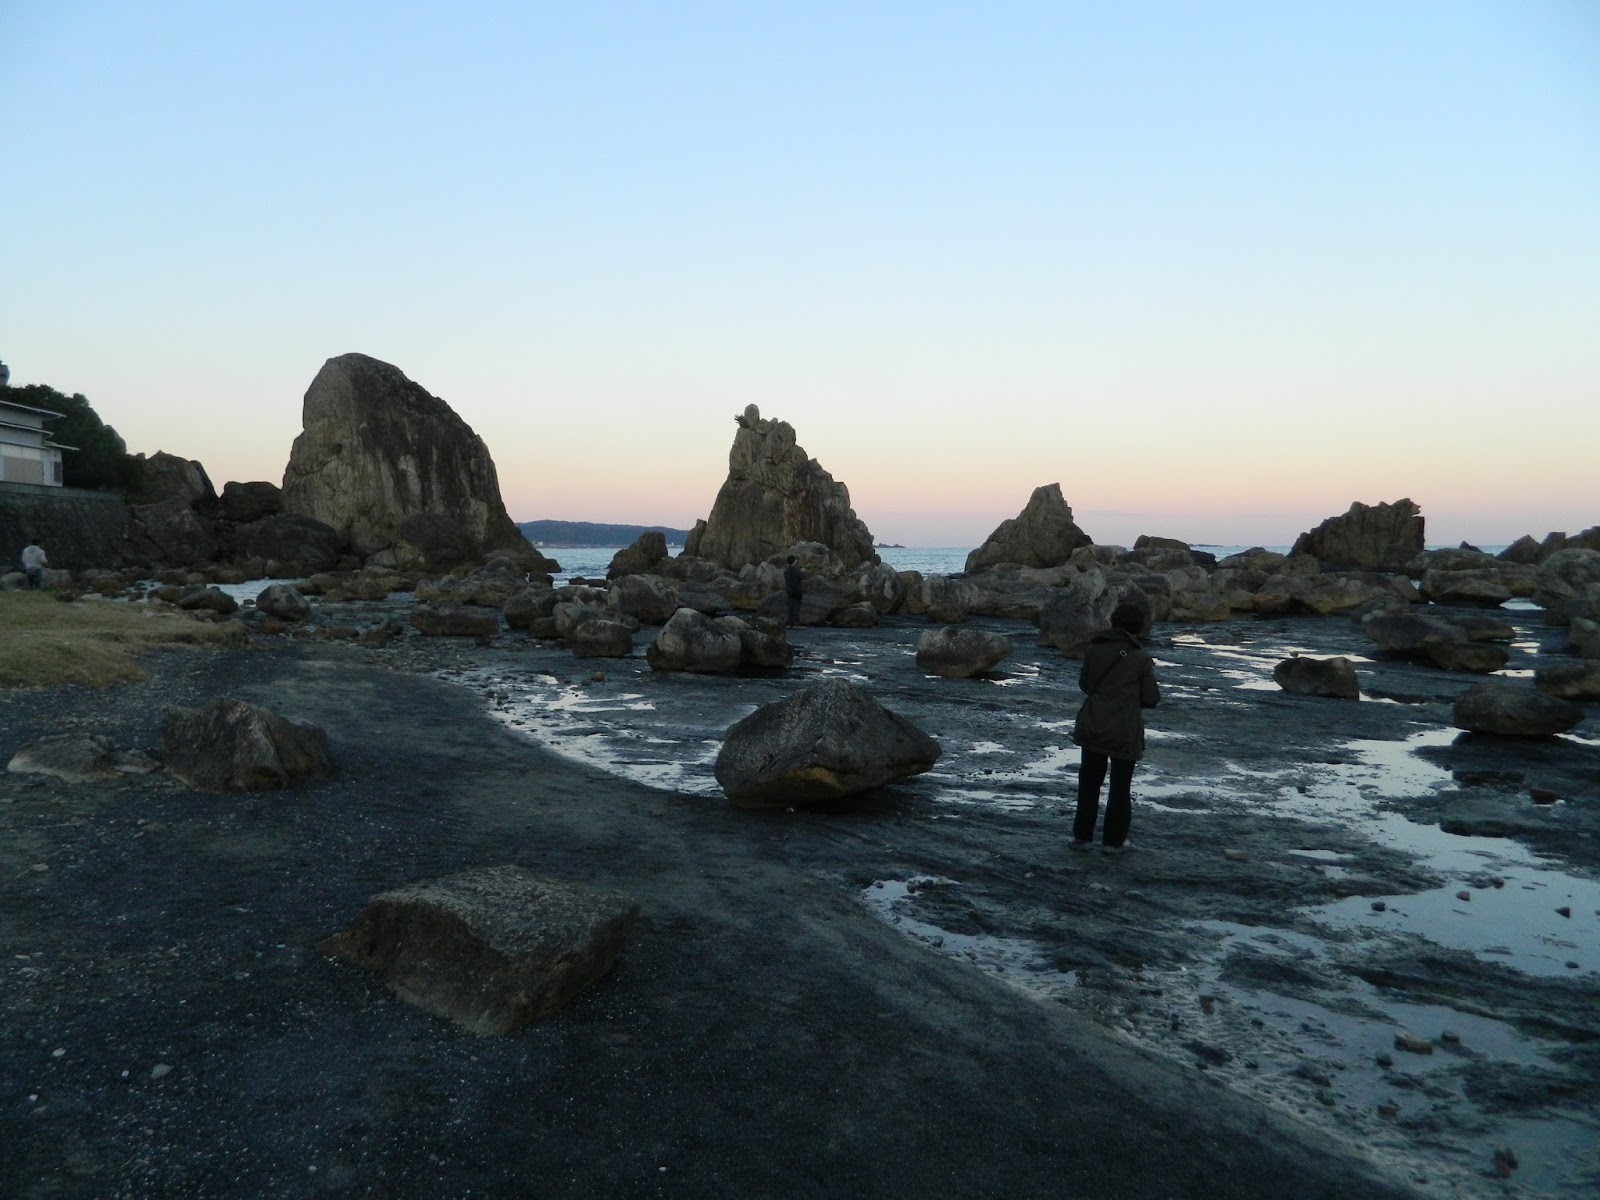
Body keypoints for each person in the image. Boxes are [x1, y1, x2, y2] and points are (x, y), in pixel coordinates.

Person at [1070, 602, 1160, 853]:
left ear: (1113, 621)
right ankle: (1113, 842)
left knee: (1089, 783)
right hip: (1124, 730)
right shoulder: (1140, 657)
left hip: (1094, 723)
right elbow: (1151, 698)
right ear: (1140, 627)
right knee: (1120, 786)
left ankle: (1081, 837)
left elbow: (1085, 685)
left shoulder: (1094, 649)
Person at [783, 555, 804, 627]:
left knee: (790, 608)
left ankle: (789, 623)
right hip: (797, 591)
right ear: (794, 561)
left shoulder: (786, 570)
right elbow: (803, 577)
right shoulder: (797, 570)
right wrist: (802, 571)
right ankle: (796, 624)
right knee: (796, 608)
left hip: (789, 591)